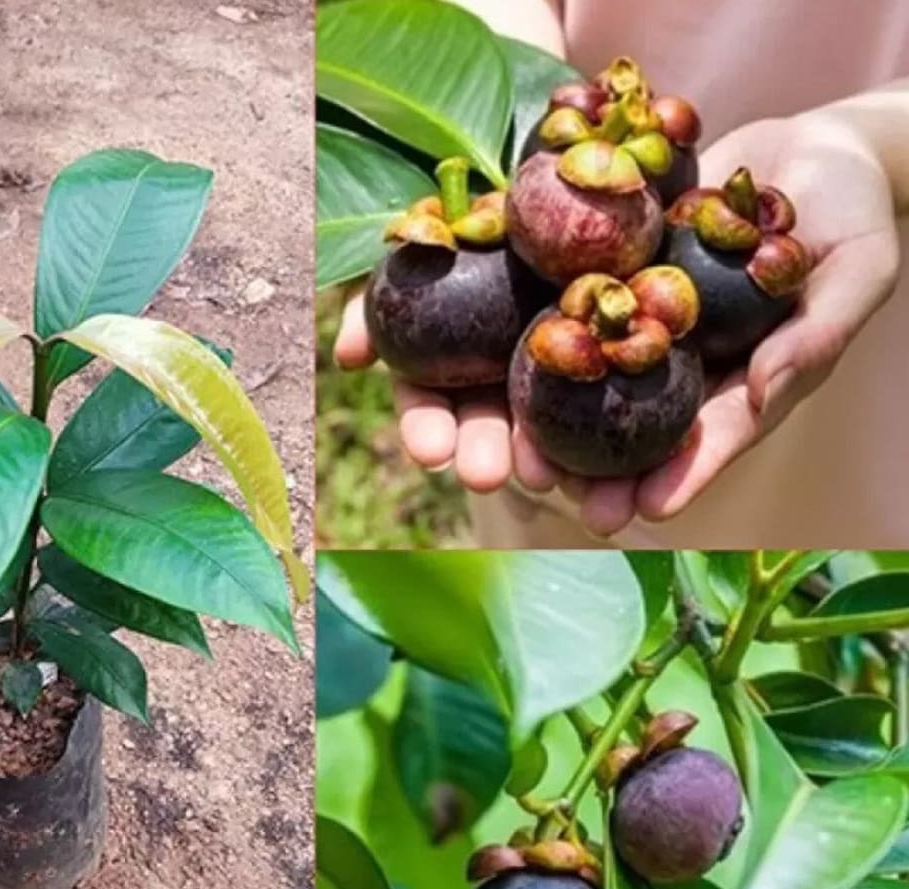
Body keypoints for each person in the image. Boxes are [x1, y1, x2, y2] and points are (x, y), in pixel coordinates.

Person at [332, 0, 909, 548]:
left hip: (854, 408)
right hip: (535, 440)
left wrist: (871, 147)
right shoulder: (557, 200)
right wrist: (496, 67)